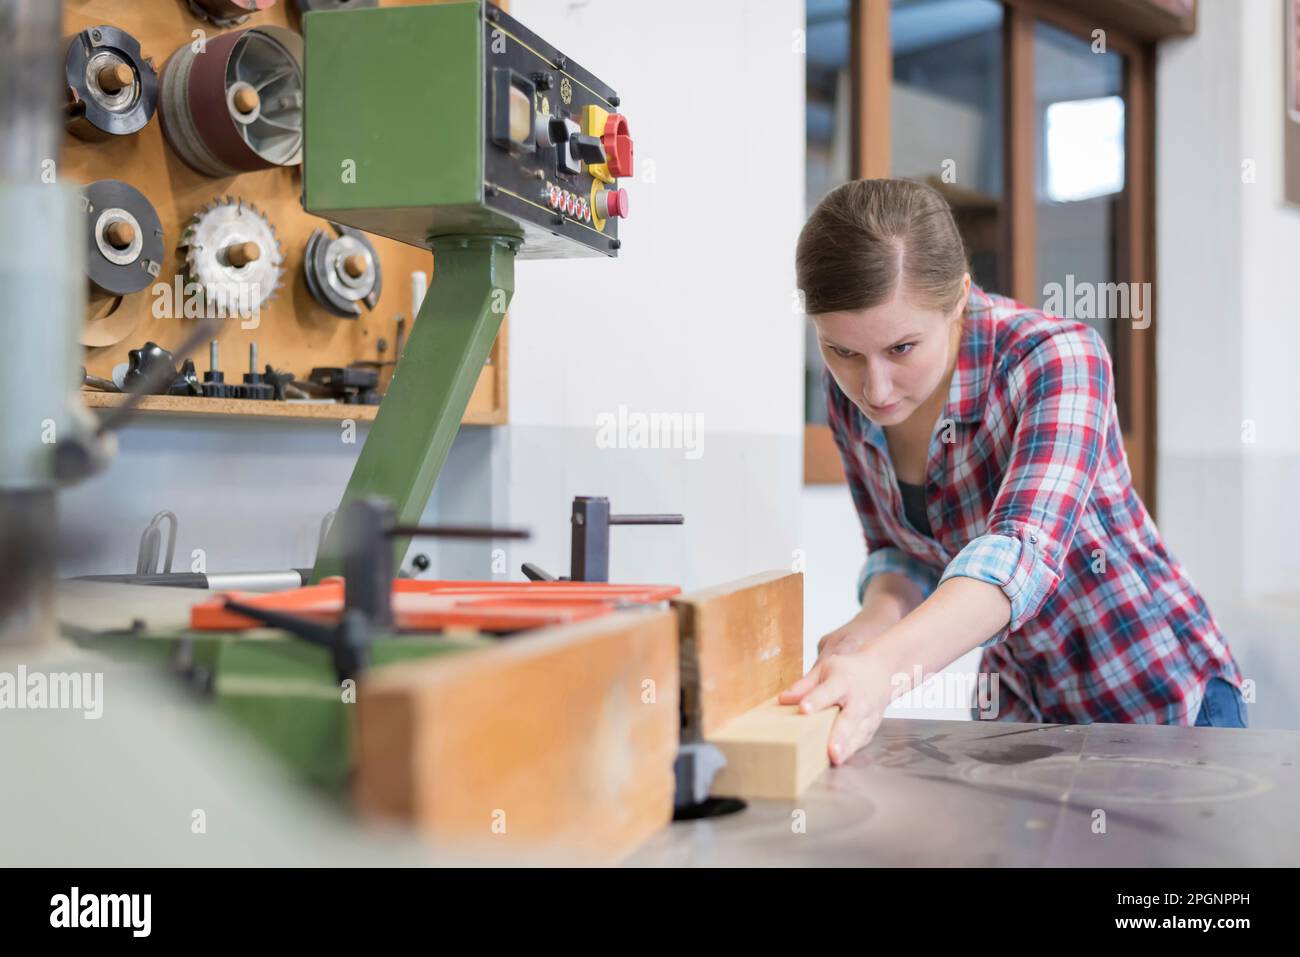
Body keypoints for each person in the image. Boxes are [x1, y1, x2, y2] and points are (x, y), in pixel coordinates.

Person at [780, 178, 1247, 766]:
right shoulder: (845, 393)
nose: (873, 388)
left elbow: (1022, 553)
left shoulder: (1057, 358)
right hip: (1021, 711)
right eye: (842, 351)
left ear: (958, 299)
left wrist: (882, 670)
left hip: (1155, 695)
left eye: (901, 348)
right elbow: (901, 555)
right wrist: (868, 628)